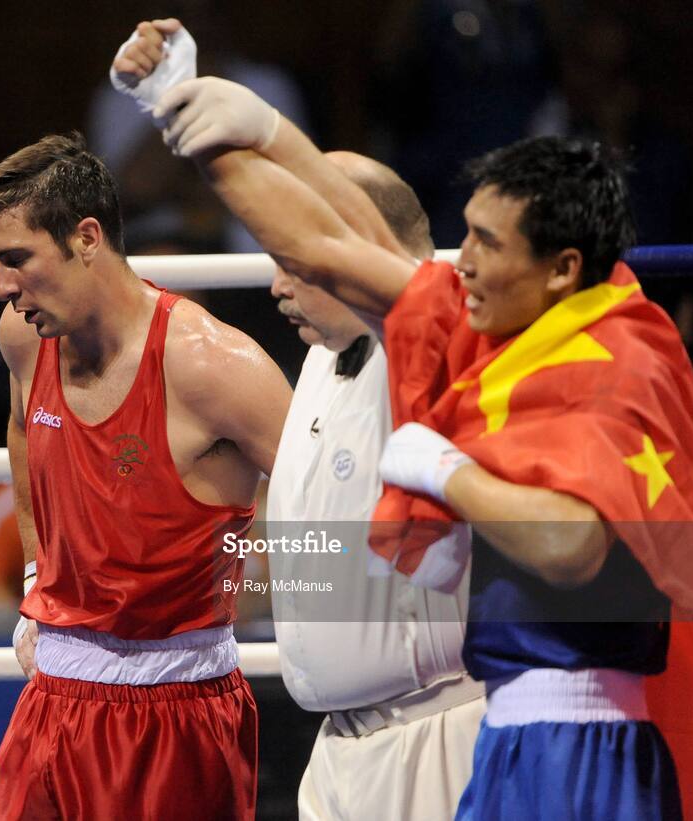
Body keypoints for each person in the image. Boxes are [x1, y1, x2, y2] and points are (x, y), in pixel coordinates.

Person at [113, 21, 693, 820]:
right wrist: (222, 120)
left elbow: (573, 544)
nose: (460, 263)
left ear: (561, 268)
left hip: (578, 739)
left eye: (486, 244)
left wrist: (443, 472)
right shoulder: (489, 338)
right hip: (501, 734)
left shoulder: (611, 370)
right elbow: (328, 240)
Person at [0, 131, 290, 820]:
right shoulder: (23, 335)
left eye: (16, 259)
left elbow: (335, 499)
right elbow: (24, 431)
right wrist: (33, 569)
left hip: (177, 711)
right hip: (51, 698)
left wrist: (300, 600)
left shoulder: (214, 366)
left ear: (86, 237)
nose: (1, 286)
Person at [265, 150, 484, 820]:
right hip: (336, 752)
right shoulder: (324, 350)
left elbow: (412, 290)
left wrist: (254, 136)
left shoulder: (438, 339)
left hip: (432, 743)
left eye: (293, 262)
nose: (275, 285)